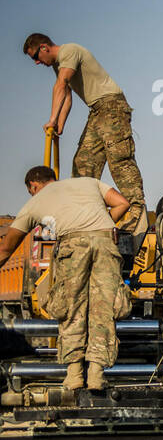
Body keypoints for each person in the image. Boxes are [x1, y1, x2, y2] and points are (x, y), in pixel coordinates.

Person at [0, 167, 131, 391]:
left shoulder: (35, 202)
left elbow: (6, 248)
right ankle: (96, 375)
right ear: (54, 178)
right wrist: (99, 228)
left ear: (33, 185)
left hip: (73, 245)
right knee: (103, 309)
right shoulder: (88, 182)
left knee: (72, 308)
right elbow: (122, 203)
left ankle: (74, 375)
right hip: (105, 240)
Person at [23, 35, 147, 238]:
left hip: (112, 106)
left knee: (119, 162)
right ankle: (85, 218)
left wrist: (51, 119)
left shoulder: (69, 51)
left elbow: (61, 85)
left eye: (35, 56)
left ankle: (137, 216)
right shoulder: (59, 65)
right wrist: (59, 125)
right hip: (96, 111)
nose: (37, 62)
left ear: (44, 47)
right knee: (82, 164)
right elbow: (67, 96)